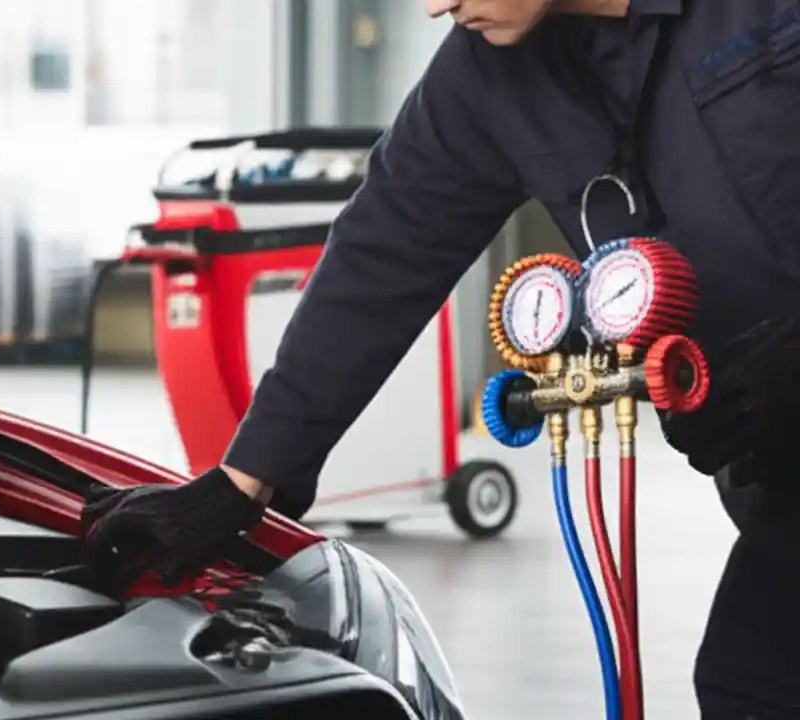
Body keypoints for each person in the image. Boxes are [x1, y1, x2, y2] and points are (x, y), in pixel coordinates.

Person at [81, 1, 800, 717]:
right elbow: (383, 253)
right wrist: (240, 483)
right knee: (755, 687)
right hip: (775, 469)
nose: (437, 5)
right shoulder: (489, 75)